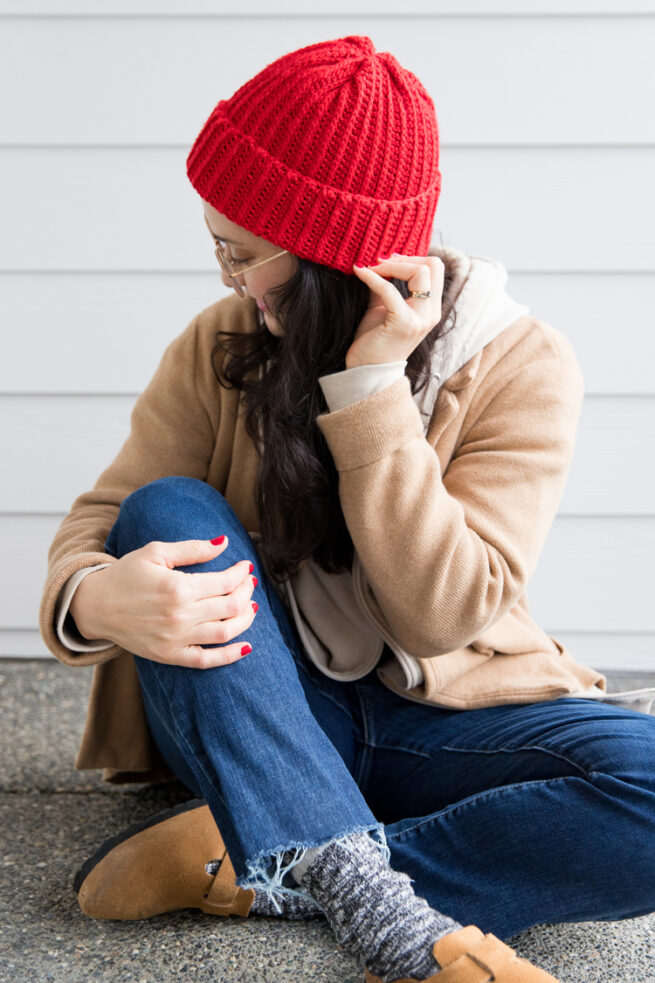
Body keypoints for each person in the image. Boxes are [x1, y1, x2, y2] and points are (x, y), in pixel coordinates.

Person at [39, 35, 655, 983]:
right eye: (216, 247)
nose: (226, 279)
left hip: (440, 713)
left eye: (241, 253)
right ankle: (391, 919)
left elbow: (441, 615)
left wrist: (369, 395)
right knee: (170, 508)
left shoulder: (521, 362)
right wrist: (94, 597)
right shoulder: (220, 342)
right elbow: (111, 514)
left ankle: (284, 858)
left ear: (334, 256)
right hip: (265, 705)